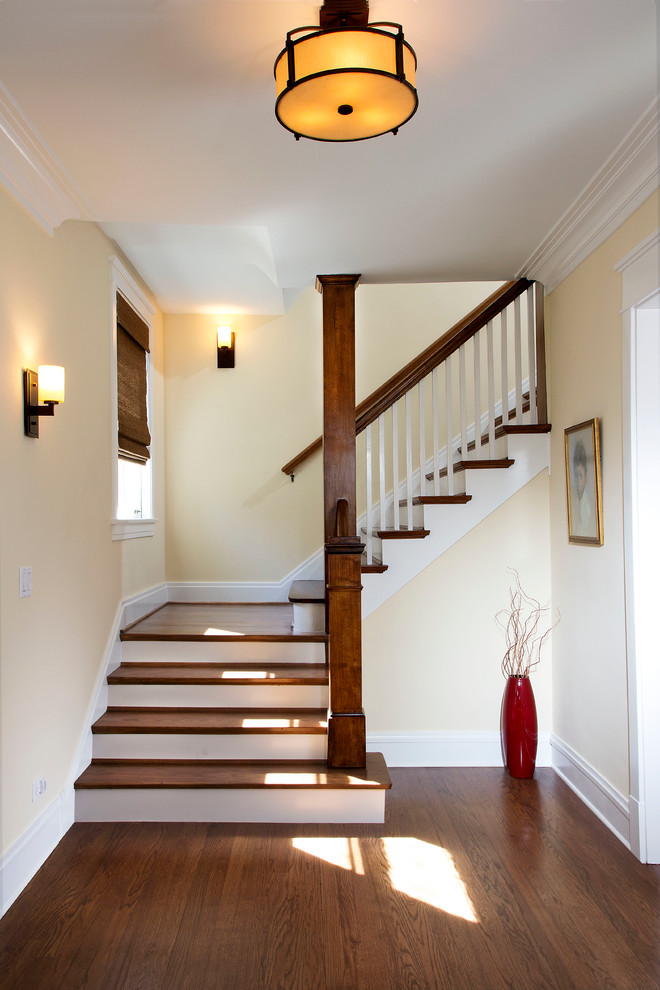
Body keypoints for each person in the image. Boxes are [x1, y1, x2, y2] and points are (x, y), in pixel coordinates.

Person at [571, 439, 596, 537]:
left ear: (586, 477)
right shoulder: (574, 502)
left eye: (580, 475)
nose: (577, 481)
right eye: (576, 475)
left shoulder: (588, 509)